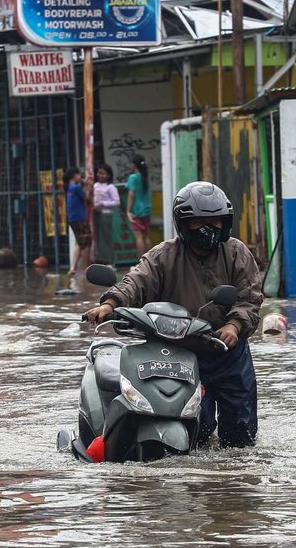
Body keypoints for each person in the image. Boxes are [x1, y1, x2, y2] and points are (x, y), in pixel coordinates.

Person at [85, 181, 264, 448]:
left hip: (228, 352)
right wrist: (110, 304)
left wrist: (234, 326)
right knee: (195, 431)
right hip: (179, 353)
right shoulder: (163, 256)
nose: (209, 228)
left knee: (241, 437)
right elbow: (136, 280)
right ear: (183, 223)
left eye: (215, 221)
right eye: (200, 222)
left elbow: (249, 297)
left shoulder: (237, 252)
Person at [65, 168, 92, 275]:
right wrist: (88, 186)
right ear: (74, 176)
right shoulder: (76, 188)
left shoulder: (69, 188)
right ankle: (86, 267)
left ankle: (73, 267)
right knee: (86, 242)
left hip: (72, 219)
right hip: (80, 218)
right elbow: (86, 197)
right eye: (78, 175)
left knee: (79, 243)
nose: (80, 177)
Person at [92, 163, 120, 264]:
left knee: (106, 238)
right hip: (96, 215)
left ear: (108, 175)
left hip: (106, 215)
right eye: (99, 173)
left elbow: (116, 201)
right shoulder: (95, 185)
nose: (100, 175)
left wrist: (103, 204)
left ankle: (109, 261)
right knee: (98, 238)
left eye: (103, 174)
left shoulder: (111, 187)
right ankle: (100, 260)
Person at [125, 155, 152, 257]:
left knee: (139, 237)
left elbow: (131, 195)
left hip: (137, 210)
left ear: (133, 165)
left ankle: (142, 262)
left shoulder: (133, 177)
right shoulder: (144, 176)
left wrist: (128, 211)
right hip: (147, 209)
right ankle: (151, 260)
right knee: (146, 236)